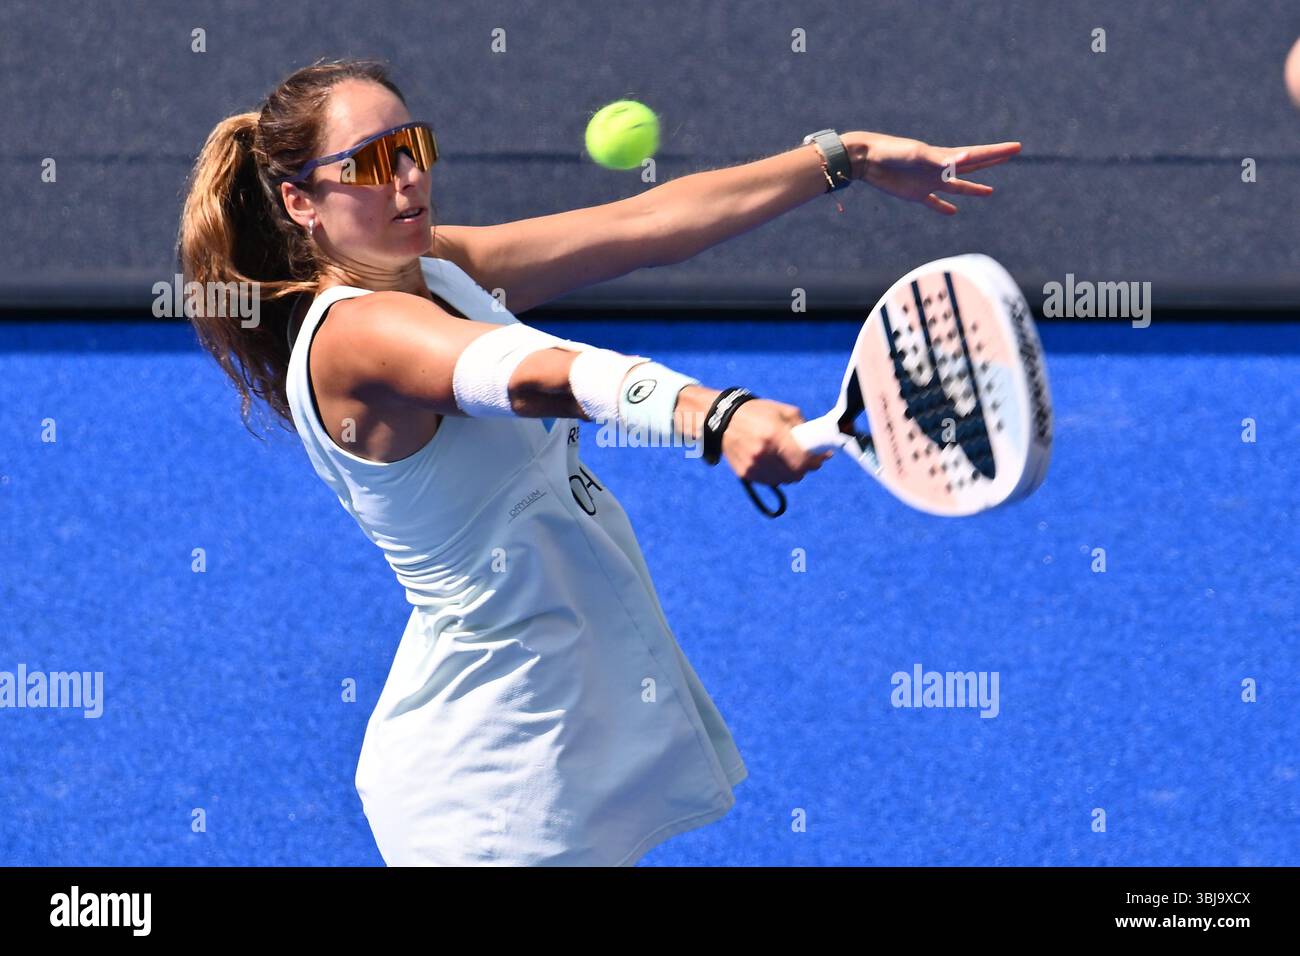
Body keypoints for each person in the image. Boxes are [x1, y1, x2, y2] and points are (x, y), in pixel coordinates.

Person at [176, 57, 1018, 865]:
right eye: (369, 163)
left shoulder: (434, 268)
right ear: (301, 201)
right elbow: (545, 376)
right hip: (490, 782)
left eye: (414, 147)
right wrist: (713, 415)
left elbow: (646, 226)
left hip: (552, 717)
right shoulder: (356, 335)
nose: (408, 181)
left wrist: (847, 158)